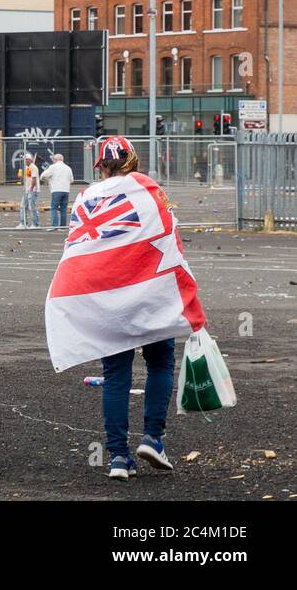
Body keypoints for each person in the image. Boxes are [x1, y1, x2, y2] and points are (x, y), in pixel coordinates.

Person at [45, 136, 207, 481]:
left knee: (116, 375)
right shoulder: (149, 189)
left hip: (104, 297)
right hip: (149, 292)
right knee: (160, 362)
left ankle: (118, 456)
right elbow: (168, 236)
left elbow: (77, 245)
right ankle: (153, 438)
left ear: (101, 167)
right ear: (132, 160)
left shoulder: (86, 197)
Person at [39, 153, 74, 230]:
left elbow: (43, 176)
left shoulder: (53, 167)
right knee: (63, 209)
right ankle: (63, 226)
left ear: (55, 160)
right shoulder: (68, 168)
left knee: (54, 208)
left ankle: (55, 225)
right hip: (66, 190)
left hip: (56, 190)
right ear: (62, 159)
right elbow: (71, 180)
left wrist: (47, 180)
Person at [18, 152, 40, 229]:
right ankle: (23, 223)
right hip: (27, 190)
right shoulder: (26, 167)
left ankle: (35, 224)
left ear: (30, 160)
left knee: (32, 207)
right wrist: (21, 177)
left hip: (33, 190)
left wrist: (30, 189)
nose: (25, 161)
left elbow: (34, 179)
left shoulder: (33, 167)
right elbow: (26, 179)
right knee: (23, 206)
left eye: (26, 160)